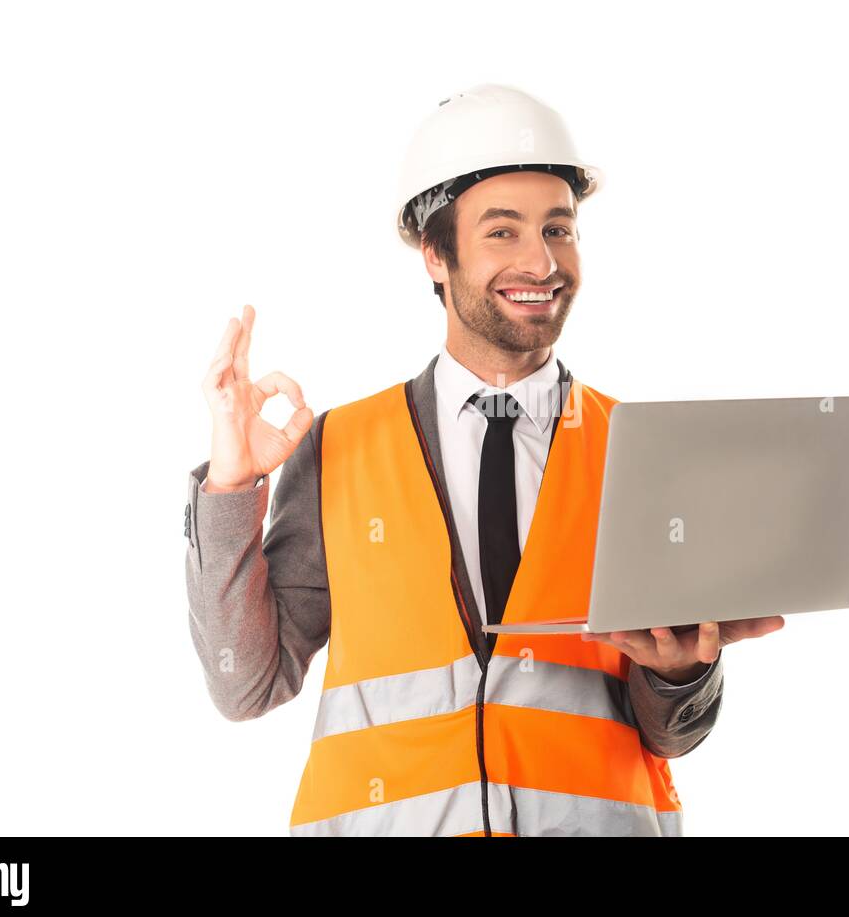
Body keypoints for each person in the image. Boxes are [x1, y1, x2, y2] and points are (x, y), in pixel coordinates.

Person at [184, 83, 784, 836]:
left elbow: (673, 732)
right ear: (436, 254)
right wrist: (233, 485)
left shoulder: (643, 452)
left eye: (559, 229)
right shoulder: (340, 450)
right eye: (504, 232)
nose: (542, 260)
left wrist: (682, 672)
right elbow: (246, 684)